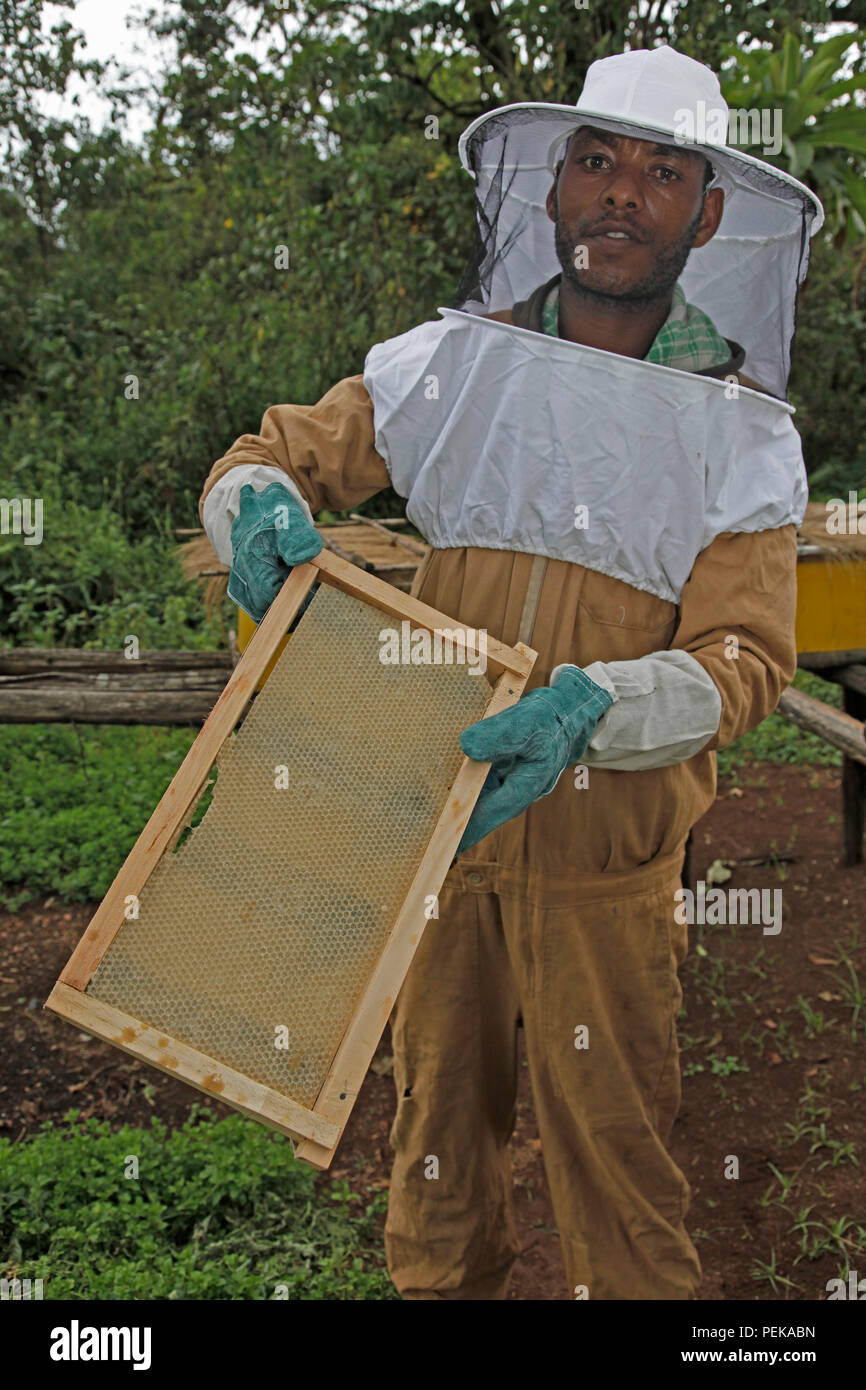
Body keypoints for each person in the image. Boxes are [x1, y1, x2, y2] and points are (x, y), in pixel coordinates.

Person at [199, 45, 823, 1299]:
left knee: (618, 1167)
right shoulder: (452, 363)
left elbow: (744, 661)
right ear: (549, 190)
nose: (619, 194)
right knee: (433, 1155)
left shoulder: (738, 430)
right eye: (594, 161)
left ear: (703, 214)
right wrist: (252, 510)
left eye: (659, 173)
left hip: (608, 867)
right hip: (434, 830)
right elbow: (268, 455)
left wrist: (598, 707)